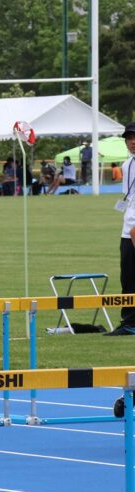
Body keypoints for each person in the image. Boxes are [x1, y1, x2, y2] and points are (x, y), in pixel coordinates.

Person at [110, 123, 135, 335]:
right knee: (127, 276)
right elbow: (128, 196)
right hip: (128, 227)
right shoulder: (127, 165)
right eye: (129, 138)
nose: (132, 142)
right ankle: (129, 321)